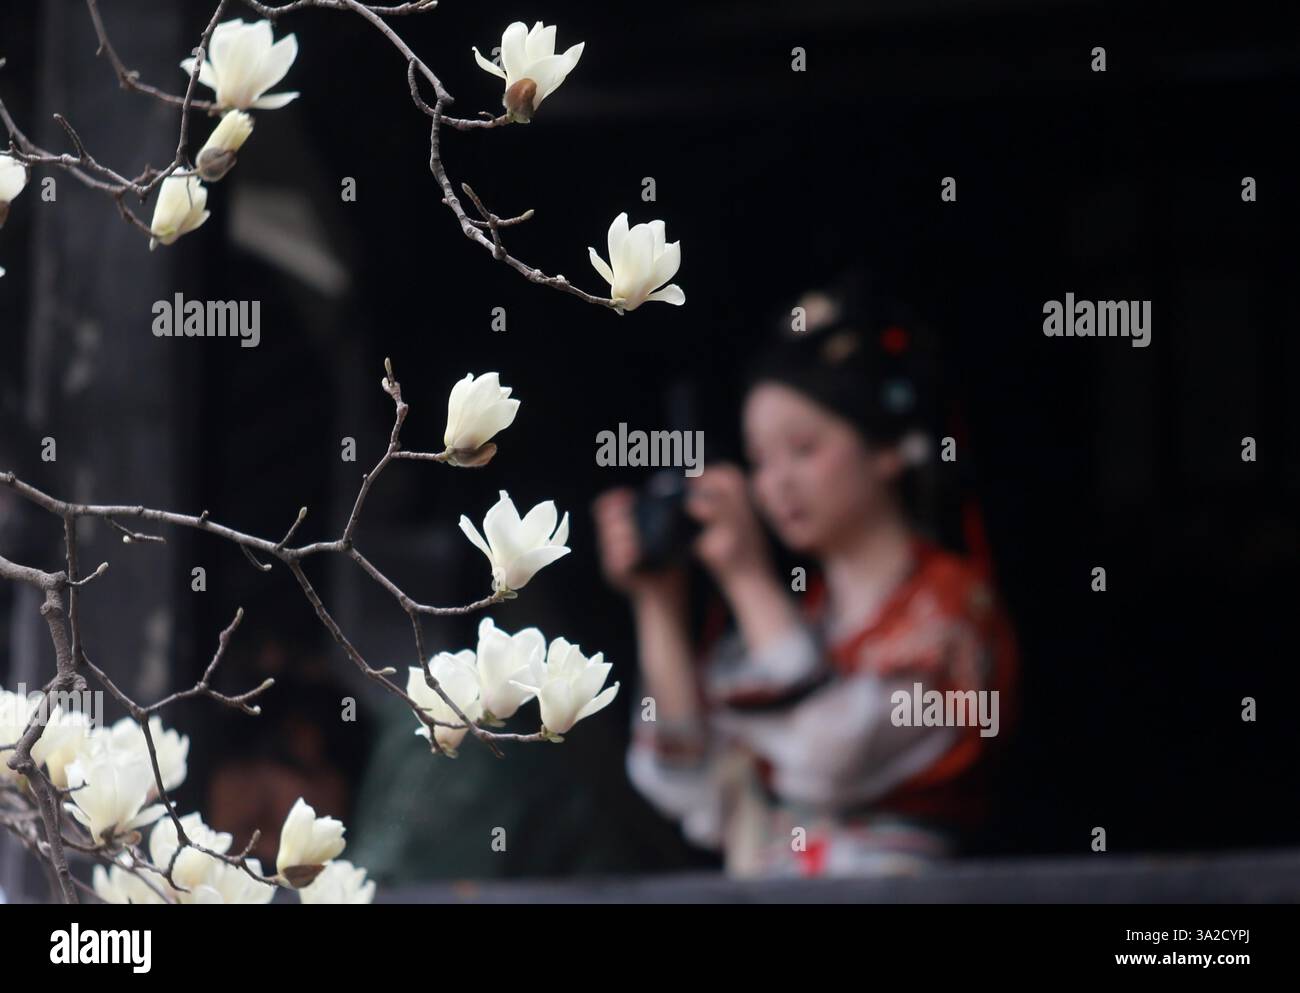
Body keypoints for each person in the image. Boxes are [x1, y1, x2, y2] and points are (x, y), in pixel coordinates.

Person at [593, 277, 1018, 878]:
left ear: (888, 449)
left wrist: (747, 579)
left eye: (804, 448)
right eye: (761, 461)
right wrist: (657, 601)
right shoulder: (799, 621)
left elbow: (833, 754)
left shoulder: (950, 609)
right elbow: (687, 783)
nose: (777, 484)